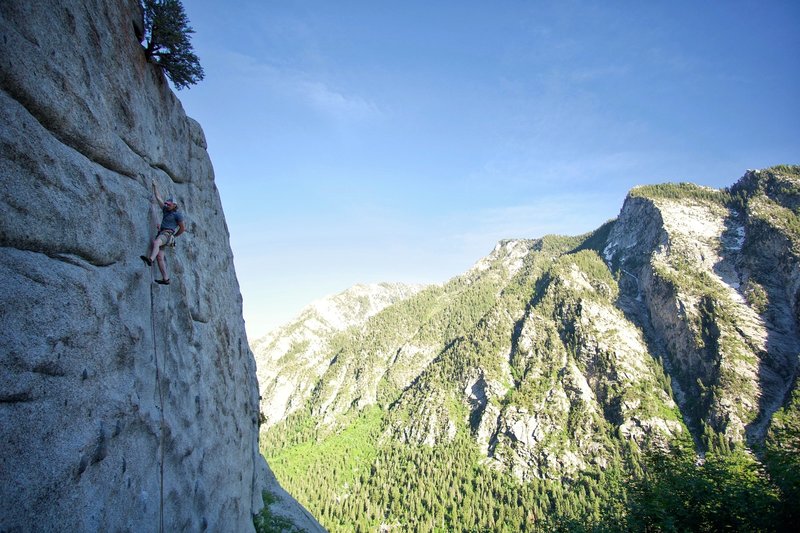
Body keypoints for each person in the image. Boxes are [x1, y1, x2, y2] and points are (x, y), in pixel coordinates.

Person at [140, 180, 186, 285]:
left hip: (167, 234)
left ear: (174, 205)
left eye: (169, 204)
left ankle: (150, 259)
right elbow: (158, 198)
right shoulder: (166, 210)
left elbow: (182, 228)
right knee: (160, 257)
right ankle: (166, 279)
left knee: (156, 243)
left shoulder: (177, 215)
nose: (167, 205)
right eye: (167, 204)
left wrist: (174, 235)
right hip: (162, 233)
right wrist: (155, 186)